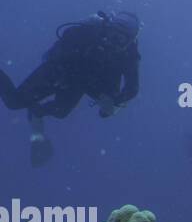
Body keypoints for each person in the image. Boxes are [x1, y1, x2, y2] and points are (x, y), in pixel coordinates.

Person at [0, 10, 141, 167]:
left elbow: (132, 88)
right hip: (60, 70)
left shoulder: (129, 55)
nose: (114, 41)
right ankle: (35, 114)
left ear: (130, 42)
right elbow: (63, 43)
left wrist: (114, 101)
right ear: (108, 28)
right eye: (114, 34)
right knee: (13, 102)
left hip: (85, 82)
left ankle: (36, 112)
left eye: (121, 39)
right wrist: (62, 73)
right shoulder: (90, 32)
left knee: (61, 112)